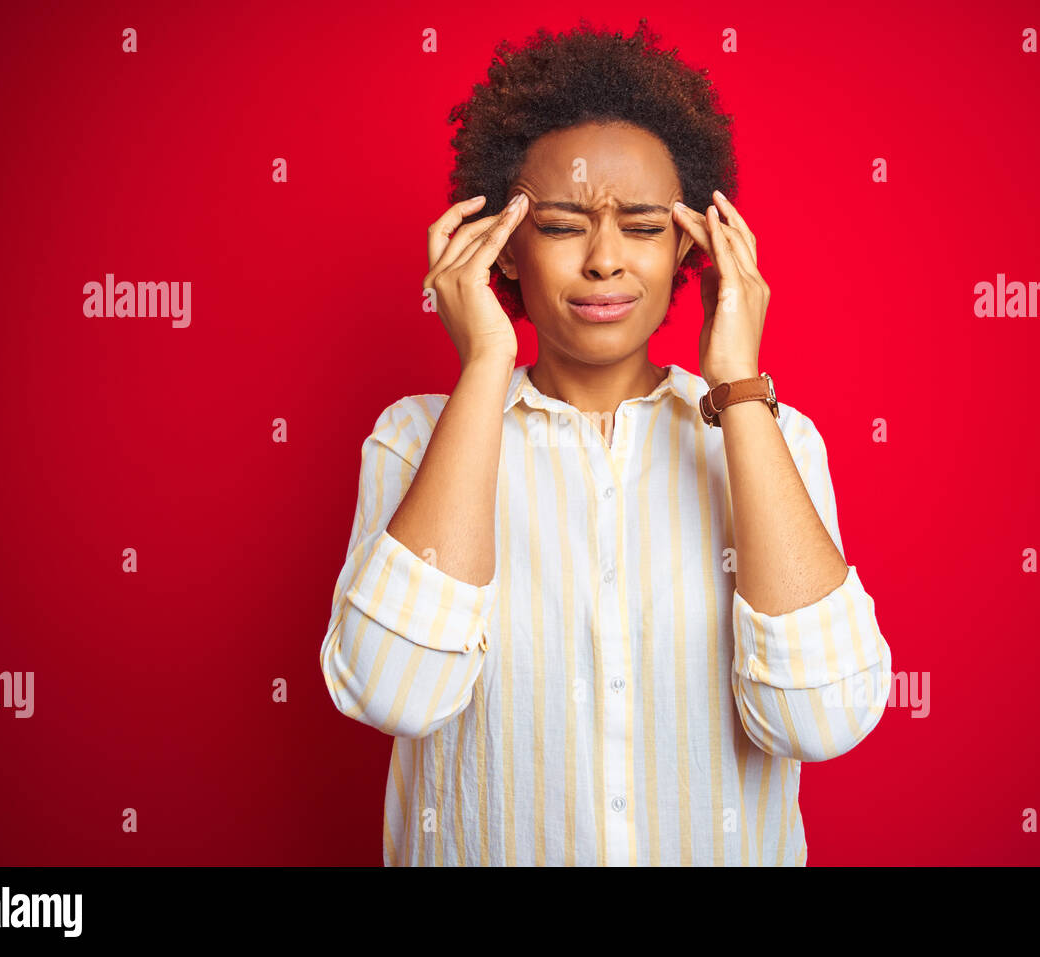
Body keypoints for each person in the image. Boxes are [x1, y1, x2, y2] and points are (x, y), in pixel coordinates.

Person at [319, 18, 891, 866]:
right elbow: (397, 692)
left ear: (694, 250)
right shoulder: (413, 441)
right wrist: (485, 363)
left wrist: (737, 381)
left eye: (645, 227)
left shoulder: (771, 442)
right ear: (501, 248)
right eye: (558, 226)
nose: (603, 261)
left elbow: (822, 718)